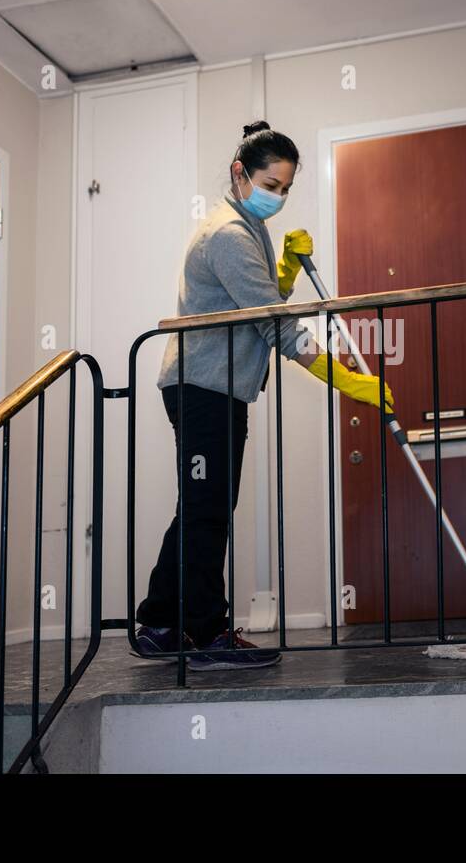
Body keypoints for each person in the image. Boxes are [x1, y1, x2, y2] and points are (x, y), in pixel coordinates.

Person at [134, 121, 394, 670]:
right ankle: (206, 634)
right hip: (203, 387)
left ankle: (160, 622)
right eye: (271, 185)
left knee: (201, 507)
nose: (277, 196)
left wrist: (286, 270)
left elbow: (255, 300)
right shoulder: (228, 234)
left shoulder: (250, 228)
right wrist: (345, 378)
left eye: (285, 188)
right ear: (240, 174)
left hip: (216, 388)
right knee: (207, 511)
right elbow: (272, 325)